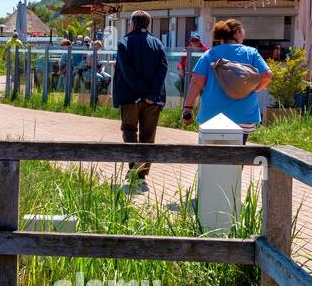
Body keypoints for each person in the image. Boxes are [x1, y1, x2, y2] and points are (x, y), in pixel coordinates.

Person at [181, 19, 272, 141]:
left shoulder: (210, 54)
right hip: (243, 114)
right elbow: (267, 75)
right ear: (238, 33)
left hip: (212, 114)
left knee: (210, 155)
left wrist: (188, 107)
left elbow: (196, 82)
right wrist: (254, 89)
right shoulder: (251, 53)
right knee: (237, 155)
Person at [112, 10, 168, 183]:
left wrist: (141, 93)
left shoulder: (124, 43)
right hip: (154, 99)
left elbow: (127, 73)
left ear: (132, 24)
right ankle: (142, 174)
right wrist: (152, 93)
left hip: (131, 97)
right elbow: (163, 70)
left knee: (129, 129)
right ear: (148, 24)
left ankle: (133, 168)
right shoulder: (158, 44)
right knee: (148, 135)